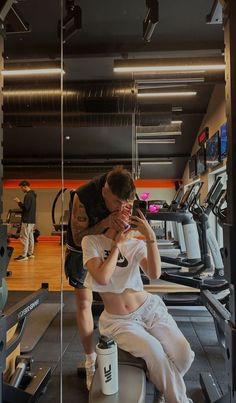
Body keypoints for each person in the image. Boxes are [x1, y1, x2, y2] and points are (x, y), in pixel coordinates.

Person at [81, 209, 195, 402]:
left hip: (148, 308)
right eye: (118, 210)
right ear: (108, 214)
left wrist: (150, 237)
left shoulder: (137, 244)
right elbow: (102, 277)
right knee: (155, 352)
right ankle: (178, 399)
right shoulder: (92, 242)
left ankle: (161, 384)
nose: (123, 215)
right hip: (119, 321)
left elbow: (154, 273)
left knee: (184, 355)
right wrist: (117, 245)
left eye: (128, 211)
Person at [64, 166, 136, 390]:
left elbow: (128, 218)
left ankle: (131, 351)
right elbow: (78, 238)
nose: (119, 207)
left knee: (123, 298)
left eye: (123, 203)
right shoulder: (82, 196)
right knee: (85, 304)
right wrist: (106, 222)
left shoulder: (123, 190)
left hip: (110, 245)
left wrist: (125, 221)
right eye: (116, 202)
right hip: (82, 250)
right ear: (105, 191)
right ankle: (90, 361)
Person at [14, 180, 37, 261]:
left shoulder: (28, 195)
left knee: (24, 238)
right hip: (32, 220)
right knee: (30, 237)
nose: (21, 189)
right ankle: (30, 253)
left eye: (21, 187)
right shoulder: (33, 195)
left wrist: (19, 202)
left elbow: (25, 208)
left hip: (27, 220)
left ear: (25, 186)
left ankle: (24, 255)